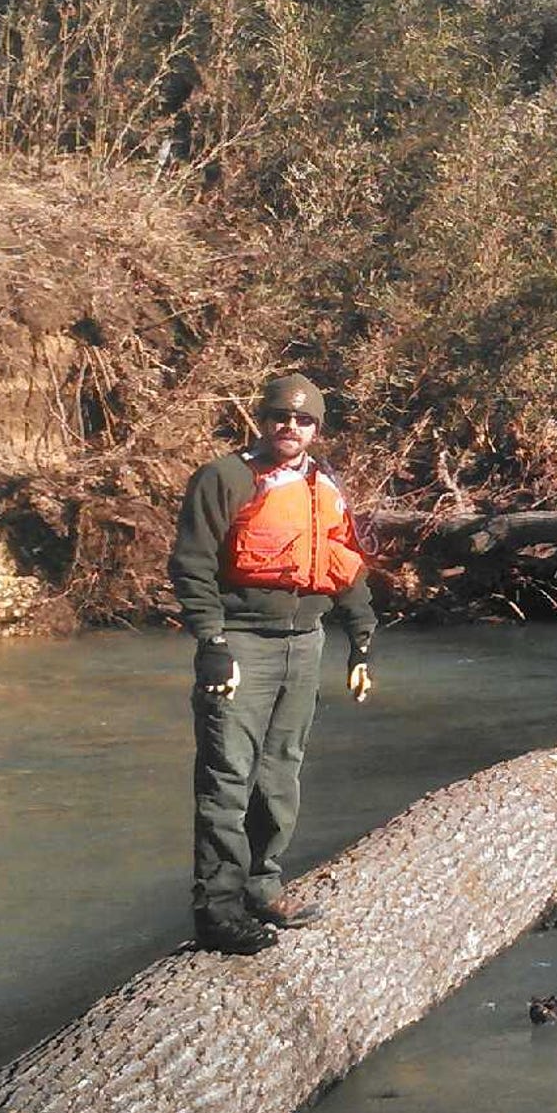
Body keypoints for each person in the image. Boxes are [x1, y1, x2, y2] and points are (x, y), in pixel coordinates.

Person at [169, 373, 377, 955]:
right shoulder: (224, 478)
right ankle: (218, 911)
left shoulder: (323, 483)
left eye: (304, 420)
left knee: (280, 772)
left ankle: (263, 888)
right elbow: (192, 565)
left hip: (304, 642)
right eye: (281, 417)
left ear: (316, 428)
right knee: (227, 777)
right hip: (242, 643)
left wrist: (361, 639)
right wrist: (212, 642)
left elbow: (345, 563)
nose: (291, 428)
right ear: (262, 420)